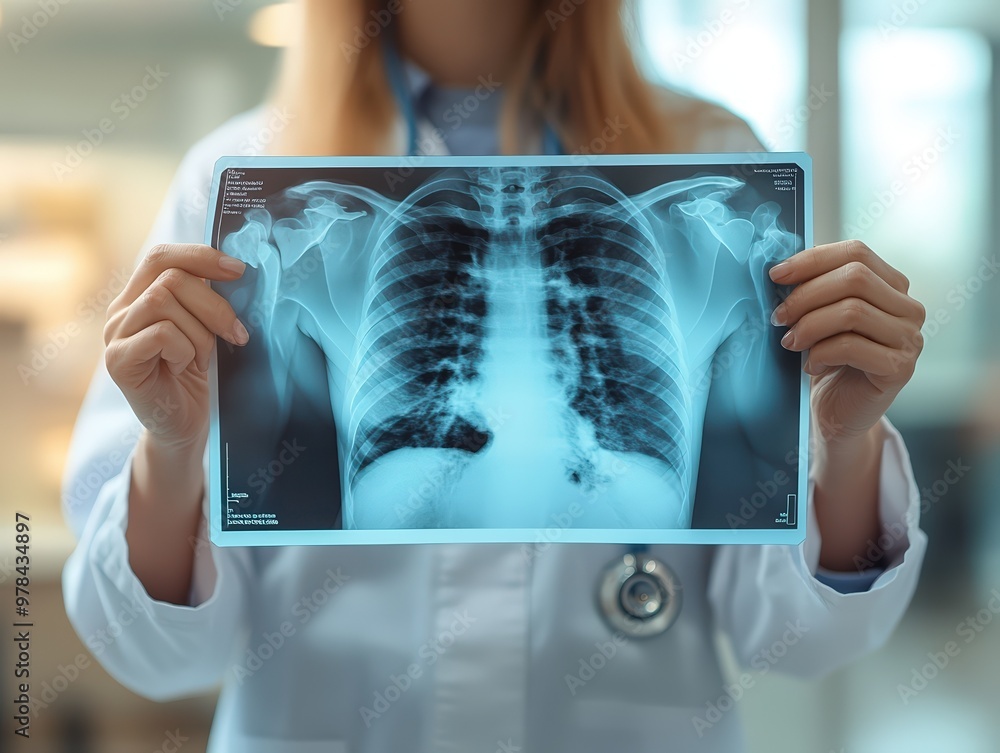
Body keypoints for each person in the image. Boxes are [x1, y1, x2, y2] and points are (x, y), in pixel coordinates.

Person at [62, 1, 928, 750]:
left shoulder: (713, 159)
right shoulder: (243, 182)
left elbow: (796, 640)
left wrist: (844, 446)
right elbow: (158, 654)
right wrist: (171, 451)